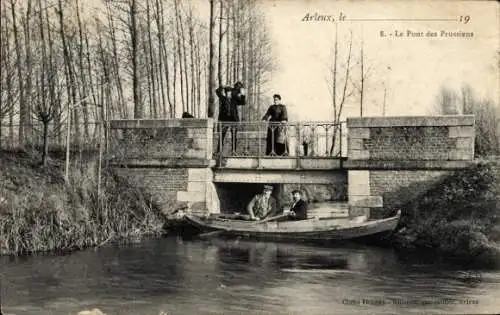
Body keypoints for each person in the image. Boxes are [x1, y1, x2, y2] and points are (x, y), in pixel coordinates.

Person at [215, 82, 246, 154]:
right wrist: (222, 86)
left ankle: (234, 151)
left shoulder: (234, 99)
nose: (229, 94)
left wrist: (243, 95)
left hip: (233, 120)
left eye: (230, 92)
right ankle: (219, 151)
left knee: (234, 136)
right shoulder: (223, 99)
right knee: (222, 135)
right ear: (225, 93)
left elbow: (242, 102)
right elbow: (217, 92)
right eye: (227, 92)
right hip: (224, 120)